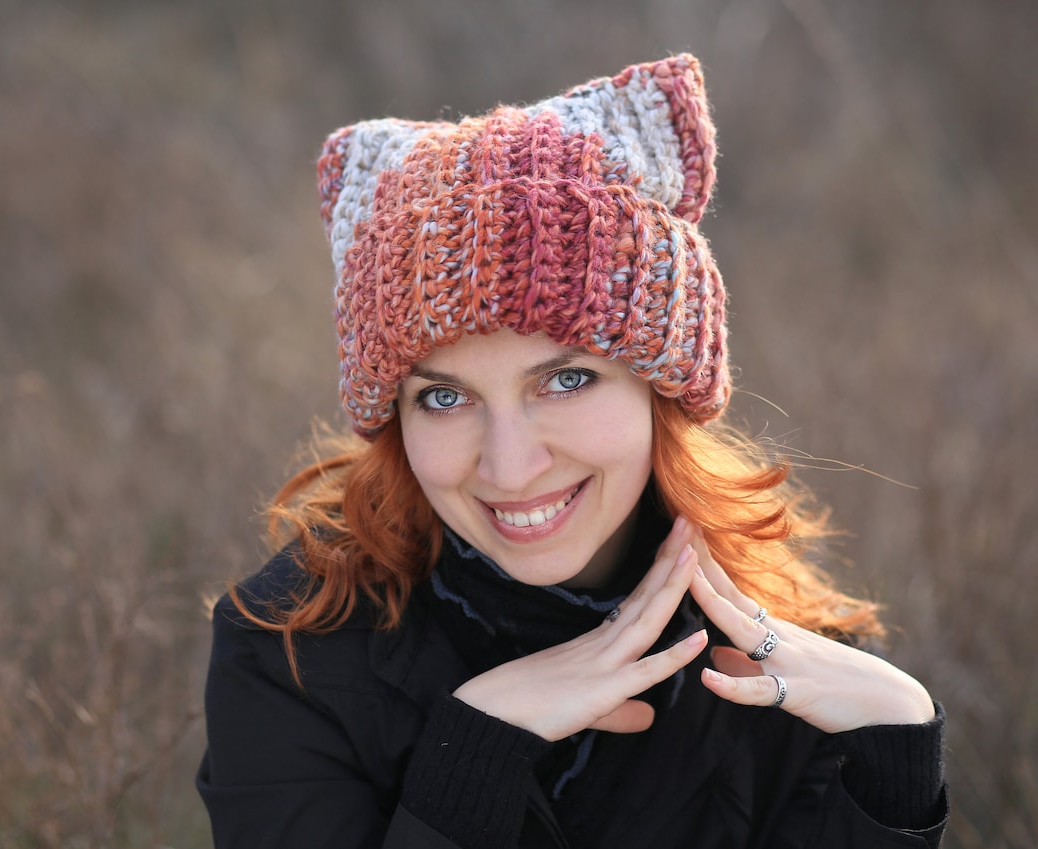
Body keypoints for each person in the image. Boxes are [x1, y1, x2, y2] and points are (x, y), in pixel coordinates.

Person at [196, 54, 948, 848]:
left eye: (566, 380)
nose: (510, 466)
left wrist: (894, 762)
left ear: (663, 388)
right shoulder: (291, 653)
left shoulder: (797, 669)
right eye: (444, 397)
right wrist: (477, 749)